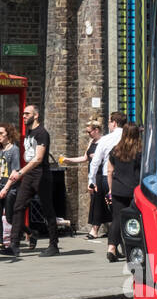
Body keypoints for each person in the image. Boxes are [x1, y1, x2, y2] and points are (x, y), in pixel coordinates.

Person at [6, 103, 59, 257]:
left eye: (27, 114)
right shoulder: (28, 132)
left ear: (36, 115)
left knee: (47, 208)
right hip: (29, 173)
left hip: (40, 172)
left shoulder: (42, 133)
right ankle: (14, 244)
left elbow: (38, 158)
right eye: (23, 114)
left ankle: (53, 245)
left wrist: (20, 172)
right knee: (18, 206)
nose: (24, 116)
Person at [59, 120, 105, 240]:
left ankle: (94, 230)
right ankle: (103, 229)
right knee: (96, 201)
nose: (88, 134)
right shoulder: (91, 142)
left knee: (98, 202)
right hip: (92, 175)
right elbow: (85, 158)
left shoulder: (104, 142)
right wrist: (68, 160)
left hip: (100, 175)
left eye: (89, 132)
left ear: (96, 130)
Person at [107, 123, 143, 262]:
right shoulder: (140, 151)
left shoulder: (115, 150)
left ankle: (111, 248)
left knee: (117, 219)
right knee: (135, 219)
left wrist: (110, 189)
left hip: (118, 189)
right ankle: (134, 250)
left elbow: (110, 170)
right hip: (134, 190)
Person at [89, 111, 128, 240]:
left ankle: (113, 245)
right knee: (125, 211)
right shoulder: (130, 137)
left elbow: (95, 162)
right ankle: (121, 240)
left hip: (108, 178)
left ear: (114, 123)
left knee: (115, 213)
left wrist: (91, 180)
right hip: (128, 178)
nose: (109, 125)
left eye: (110, 122)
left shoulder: (106, 139)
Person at [0, 123, 21, 253]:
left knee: (9, 217)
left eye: (2, 133)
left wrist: (6, 188)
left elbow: (15, 172)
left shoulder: (14, 150)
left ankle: (30, 232)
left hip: (9, 188)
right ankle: (0, 244)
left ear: (9, 134)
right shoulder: (0, 151)